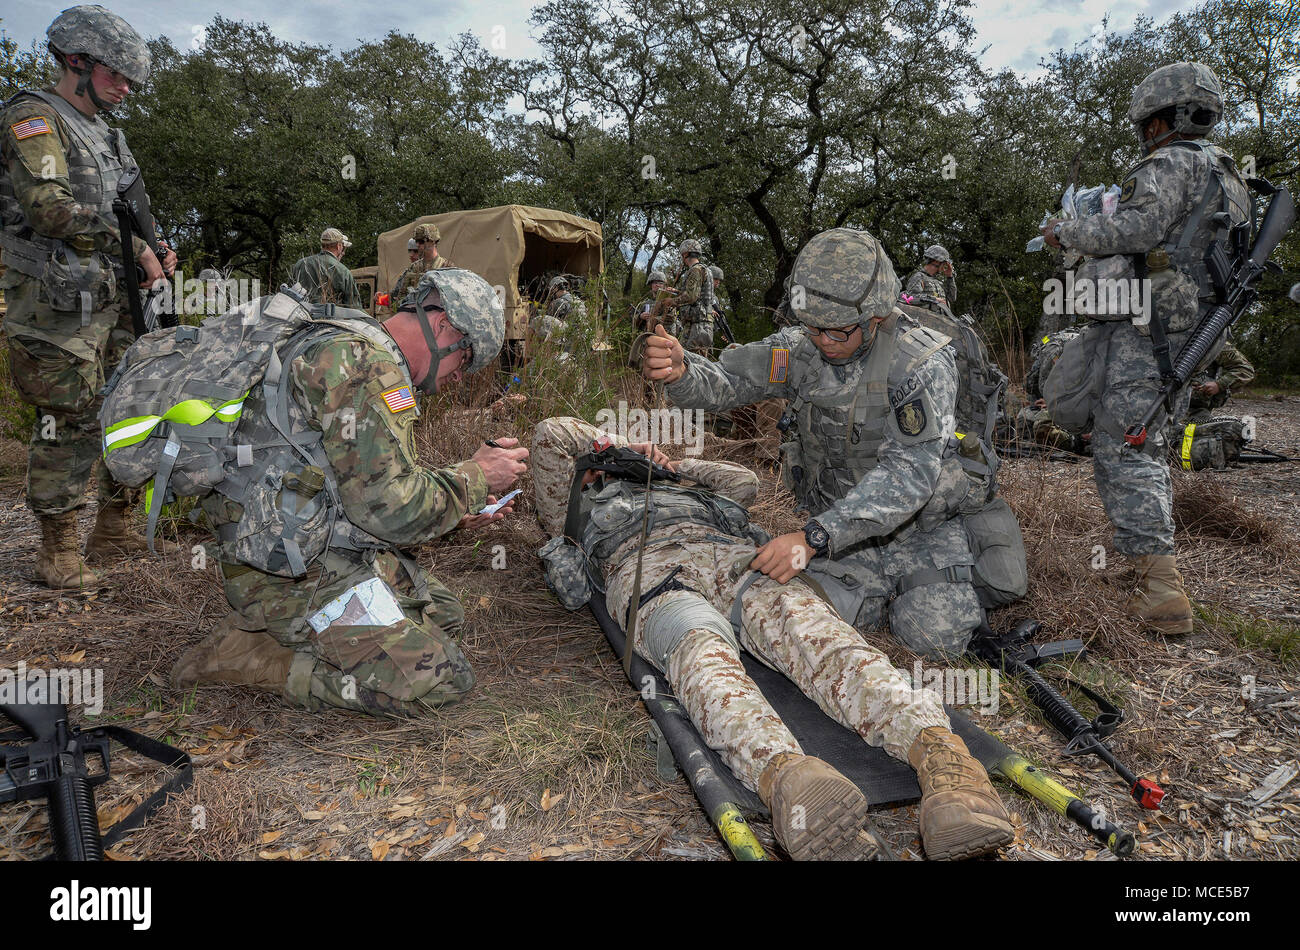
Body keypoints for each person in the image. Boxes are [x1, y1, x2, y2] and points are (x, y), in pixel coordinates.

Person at [533, 415, 1013, 861]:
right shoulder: (576, 500)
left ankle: (945, 761)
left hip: (737, 560)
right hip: (652, 571)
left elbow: (744, 482)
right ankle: (789, 779)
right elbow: (553, 434)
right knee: (702, 654)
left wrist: (669, 463)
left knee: (817, 636)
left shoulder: (683, 482)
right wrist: (609, 452)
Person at [640, 228, 1027, 657]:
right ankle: (875, 590)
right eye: (812, 328)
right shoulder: (801, 349)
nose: (823, 340)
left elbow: (909, 475)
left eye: (837, 331)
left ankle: (950, 573)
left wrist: (813, 538)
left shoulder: (919, 362)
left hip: (919, 527)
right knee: (806, 621)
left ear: (875, 318)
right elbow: (729, 382)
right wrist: (682, 371)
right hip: (840, 526)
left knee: (933, 640)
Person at [171, 268, 530, 716]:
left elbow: (363, 484)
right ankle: (256, 658)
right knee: (441, 679)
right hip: (289, 576)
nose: (460, 378)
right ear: (444, 328)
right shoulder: (365, 369)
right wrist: (475, 478)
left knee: (444, 611)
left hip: (303, 548)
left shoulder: (354, 343)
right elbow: (388, 511)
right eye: (467, 359)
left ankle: (275, 630)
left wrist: (459, 508)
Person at [1042, 61, 1250, 637]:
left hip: (1150, 329)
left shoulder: (1168, 163)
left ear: (1162, 117)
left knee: (1127, 446)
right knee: (1148, 442)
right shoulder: (1229, 176)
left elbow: (1136, 231)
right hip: (1194, 329)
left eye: (1147, 121)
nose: (1144, 132)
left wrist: (1067, 232)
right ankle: (1140, 566)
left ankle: (1162, 591)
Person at [0, 4, 178, 589]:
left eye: (130, 80)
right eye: (115, 76)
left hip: (111, 293)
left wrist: (157, 249)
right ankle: (57, 550)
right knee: (70, 416)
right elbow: (49, 209)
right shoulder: (34, 117)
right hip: (54, 300)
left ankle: (115, 524)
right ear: (75, 61)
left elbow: (130, 203)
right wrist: (133, 248)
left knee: (135, 401)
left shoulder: (108, 133)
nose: (125, 89)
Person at [1182, 340, 1255, 423]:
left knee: (1192, 433)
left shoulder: (1211, 340)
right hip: (1166, 406)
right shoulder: (1168, 338)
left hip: (1194, 409)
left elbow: (1245, 370)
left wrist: (1219, 385)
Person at [289, 227, 363, 307]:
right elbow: (354, 307)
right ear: (339, 246)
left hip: (298, 317)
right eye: (343, 248)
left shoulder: (300, 264)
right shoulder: (343, 272)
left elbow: (288, 295)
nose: (343, 253)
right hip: (329, 319)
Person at [666, 239, 715, 355]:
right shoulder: (705, 269)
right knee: (698, 364)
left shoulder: (696, 270)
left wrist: (671, 301)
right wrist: (677, 292)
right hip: (701, 325)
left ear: (685, 254)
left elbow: (691, 297)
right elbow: (697, 296)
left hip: (698, 326)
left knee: (689, 362)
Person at [390, 223, 455, 304]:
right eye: (416, 241)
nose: (417, 245)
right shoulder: (414, 267)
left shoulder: (446, 267)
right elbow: (401, 297)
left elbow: (451, 300)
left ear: (433, 241)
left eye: (421, 241)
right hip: (414, 313)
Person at [538, 275, 586, 355]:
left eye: (551, 289)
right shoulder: (578, 300)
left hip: (570, 340)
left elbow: (549, 321)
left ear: (555, 288)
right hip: (583, 337)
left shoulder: (559, 302)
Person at [904, 245, 958, 313]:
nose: (945, 266)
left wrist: (950, 277)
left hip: (940, 320)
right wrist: (933, 299)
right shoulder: (919, 277)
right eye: (944, 263)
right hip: (924, 319)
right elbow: (910, 298)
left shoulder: (938, 282)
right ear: (937, 262)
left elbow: (952, 298)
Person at [629, 269, 677, 336]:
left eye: (660, 283)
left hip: (666, 336)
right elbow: (634, 323)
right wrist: (640, 317)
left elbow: (671, 318)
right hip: (648, 336)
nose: (657, 285)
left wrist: (652, 318)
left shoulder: (669, 301)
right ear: (651, 285)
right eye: (654, 283)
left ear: (664, 286)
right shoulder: (645, 303)